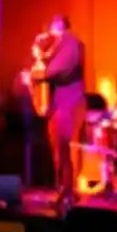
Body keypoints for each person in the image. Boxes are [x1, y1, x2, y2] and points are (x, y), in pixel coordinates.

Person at [32, 14, 87, 210]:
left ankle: (68, 192)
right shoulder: (57, 46)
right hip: (61, 104)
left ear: (61, 27)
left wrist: (37, 73)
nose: (51, 32)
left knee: (65, 149)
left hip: (69, 103)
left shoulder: (70, 41)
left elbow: (57, 70)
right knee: (59, 150)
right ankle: (63, 191)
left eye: (54, 27)